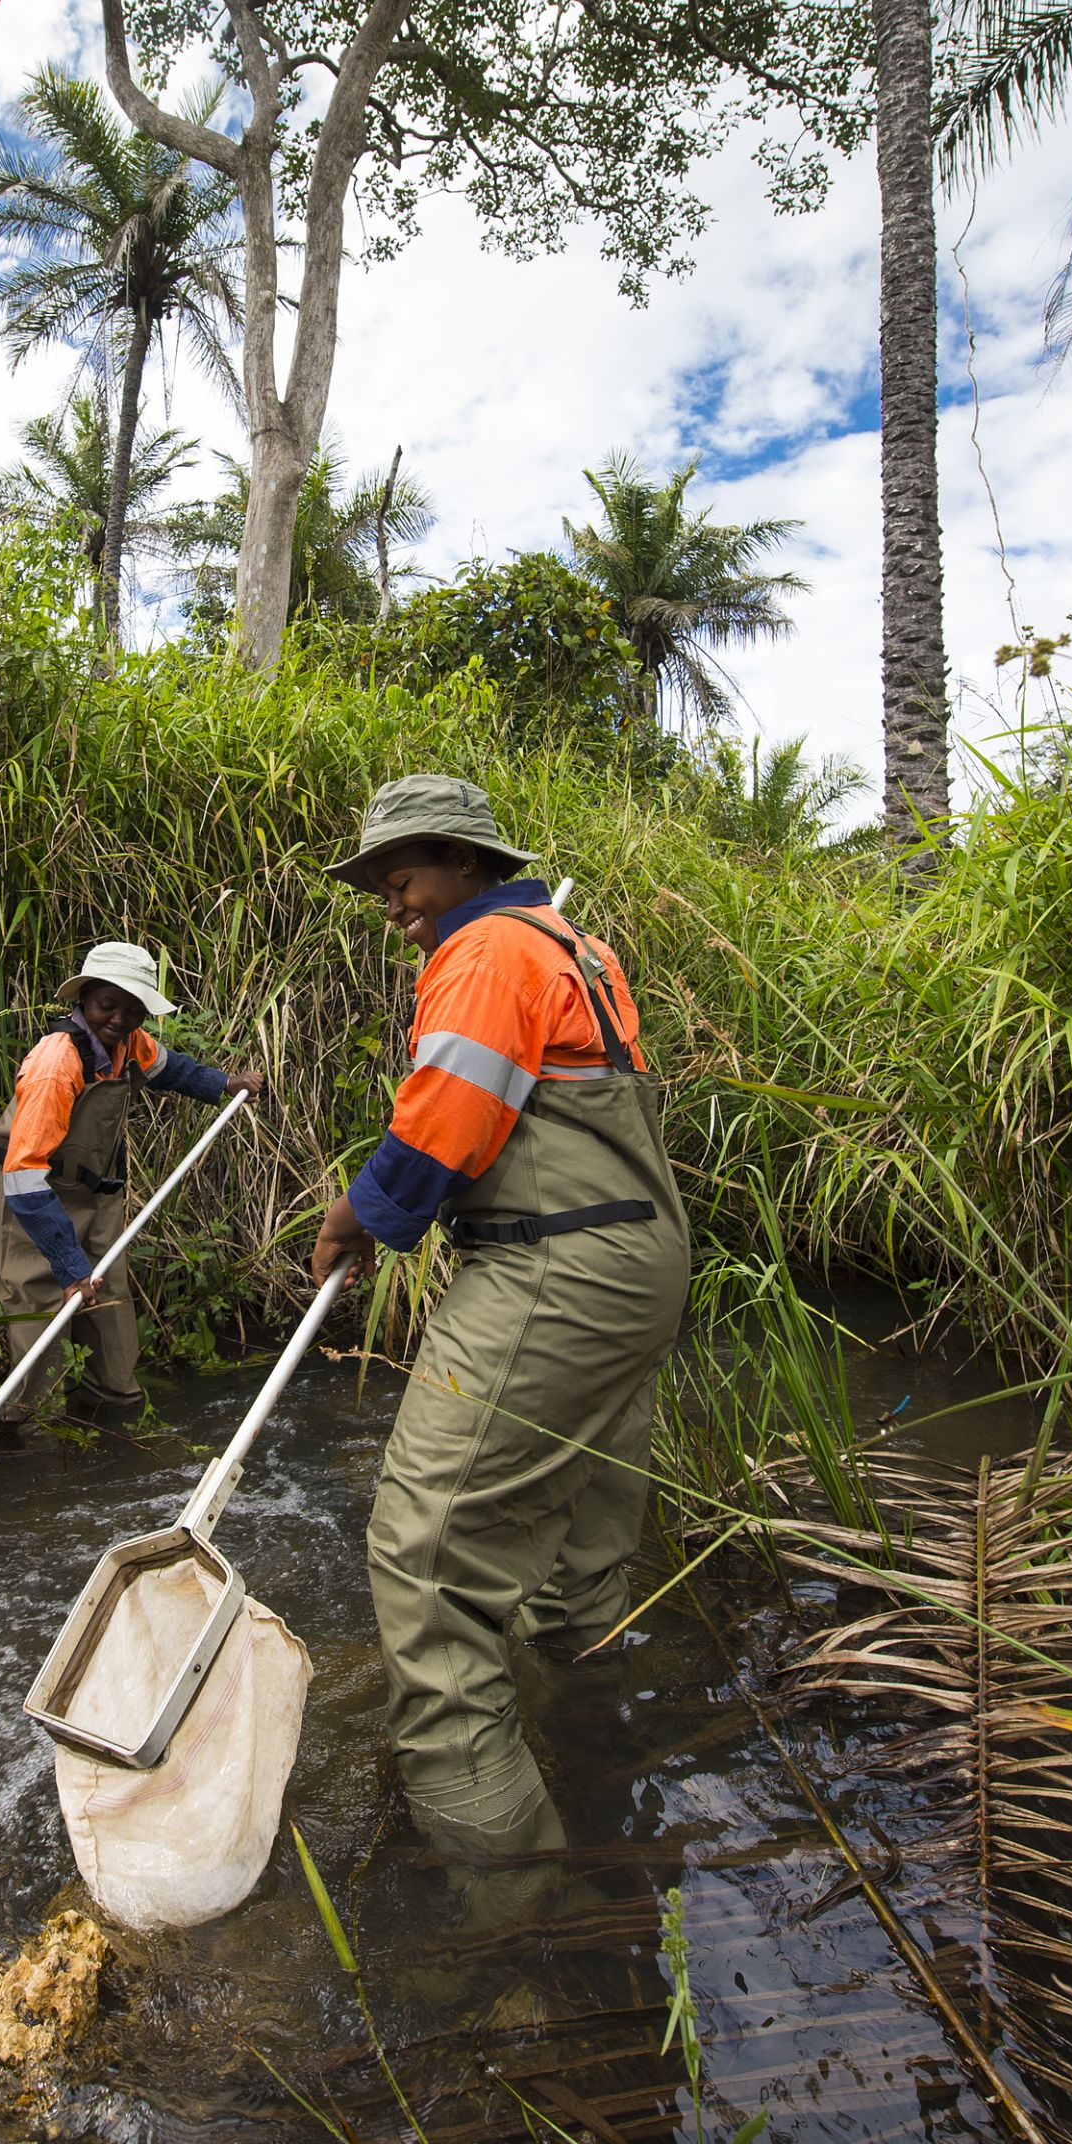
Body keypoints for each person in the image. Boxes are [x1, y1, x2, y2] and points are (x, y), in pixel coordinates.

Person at [313, 775, 691, 1866]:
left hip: (556, 1269)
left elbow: (444, 1129)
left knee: (425, 1562)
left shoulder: (483, 954)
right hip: (636, 1267)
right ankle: (600, 1757)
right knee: (580, 1558)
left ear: (464, 860)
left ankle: (513, 1912)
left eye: (404, 877)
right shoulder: (574, 945)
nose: (393, 903)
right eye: (382, 887)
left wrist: (352, 1217)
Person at [0, 939, 265, 1430]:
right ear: (84, 999)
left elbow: (170, 1069)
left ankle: (116, 1413)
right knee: (40, 1311)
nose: (117, 1018)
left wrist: (225, 1084)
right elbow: (23, 1177)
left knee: (108, 1300)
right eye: (106, 1005)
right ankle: (36, 1431)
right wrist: (70, 1267)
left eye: (132, 1009)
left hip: (96, 1191)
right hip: (30, 1196)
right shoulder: (56, 1065)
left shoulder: (127, 1041)